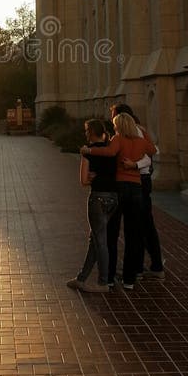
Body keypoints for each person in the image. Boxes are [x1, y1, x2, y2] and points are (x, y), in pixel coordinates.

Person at [81, 113, 156, 290]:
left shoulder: (118, 139)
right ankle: (130, 279)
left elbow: (109, 152)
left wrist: (88, 150)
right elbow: (152, 151)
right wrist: (137, 163)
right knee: (133, 234)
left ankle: (109, 277)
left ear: (119, 126)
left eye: (115, 125)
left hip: (120, 187)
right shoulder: (141, 141)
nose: (114, 128)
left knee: (112, 234)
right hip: (136, 188)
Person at [112, 103, 165, 280]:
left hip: (138, 180)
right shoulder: (131, 132)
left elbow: (151, 153)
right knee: (142, 225)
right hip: (137, 181)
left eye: (113, 115)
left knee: (141, 225)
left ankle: (143, 268)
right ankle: (143, 267)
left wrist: (135, 164)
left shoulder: (136, 132)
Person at [67, 119, 119, 293]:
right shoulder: (112, 150)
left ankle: (103, 282)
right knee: (95, 240)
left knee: (100, 241)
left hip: (97, 198)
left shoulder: (88, 153)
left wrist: (92, 177)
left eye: (86, 131)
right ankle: (81, 278)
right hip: (113, 198)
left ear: (90, 133)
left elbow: (83, 180)